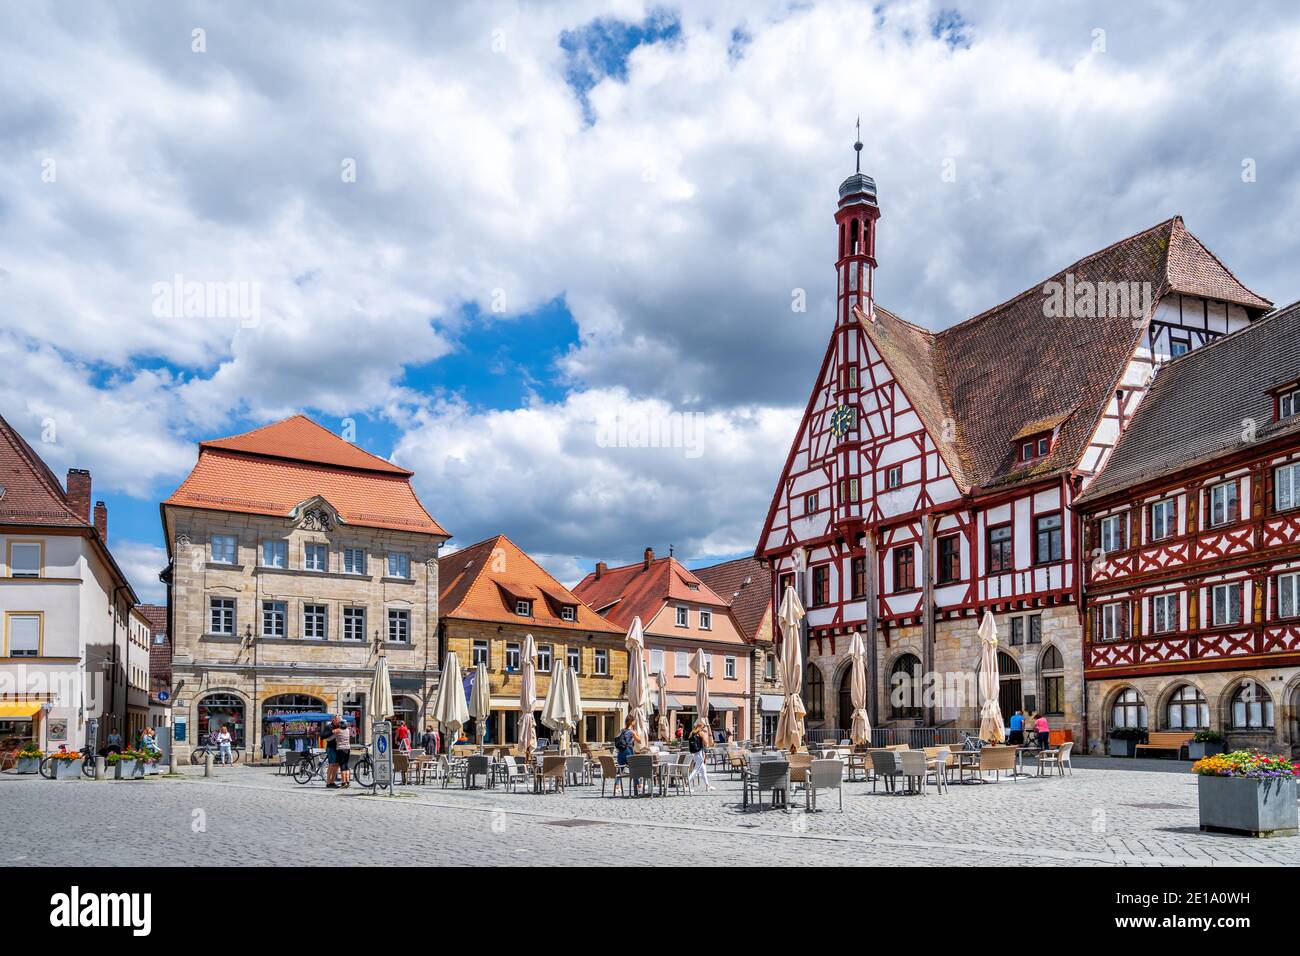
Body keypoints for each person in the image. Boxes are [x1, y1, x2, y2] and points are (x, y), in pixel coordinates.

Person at [687, 720, 715, 791]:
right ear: (701, 727)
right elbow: (706, 743)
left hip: (695, 753)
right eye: (703, 728)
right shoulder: (701, 733)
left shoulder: (692, 733)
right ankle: (686, 785)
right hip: (700, 753)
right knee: (696, 770)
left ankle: (707, 786)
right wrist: (707, 735)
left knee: (703, 770)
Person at [332, 716, 354, 789]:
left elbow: (332, 733)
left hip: (340, 749)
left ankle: (343, 782)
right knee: (346, 765)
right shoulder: (347, 730)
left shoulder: (338, 731)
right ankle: (348, 781)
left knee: (342, 766)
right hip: (347, 749)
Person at [325, 716, 342, 788]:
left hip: (337, 748)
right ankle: (328, 783)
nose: (339, 721)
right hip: (331, 748)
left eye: (340, 720)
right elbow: (326, 738)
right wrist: (335, 734)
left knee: (337, 765)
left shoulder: (339, 726)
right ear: (334, 720)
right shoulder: (329, 727)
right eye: (338, 720)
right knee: (331, 765)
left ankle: (332, 782)